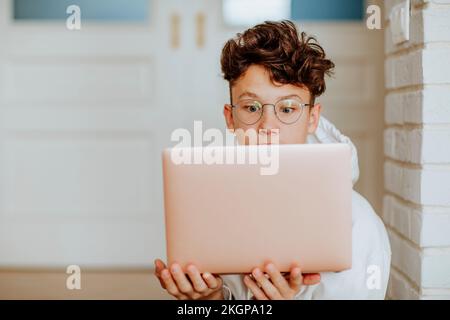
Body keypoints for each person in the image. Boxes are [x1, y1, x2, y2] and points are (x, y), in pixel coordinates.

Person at [154, 20, 391, 300]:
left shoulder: (357, 226)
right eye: (252, 107)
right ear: (231, 118)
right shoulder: (213, 211)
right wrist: (211, 299)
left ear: (312, 118)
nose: (268, 126)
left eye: (288, 108)